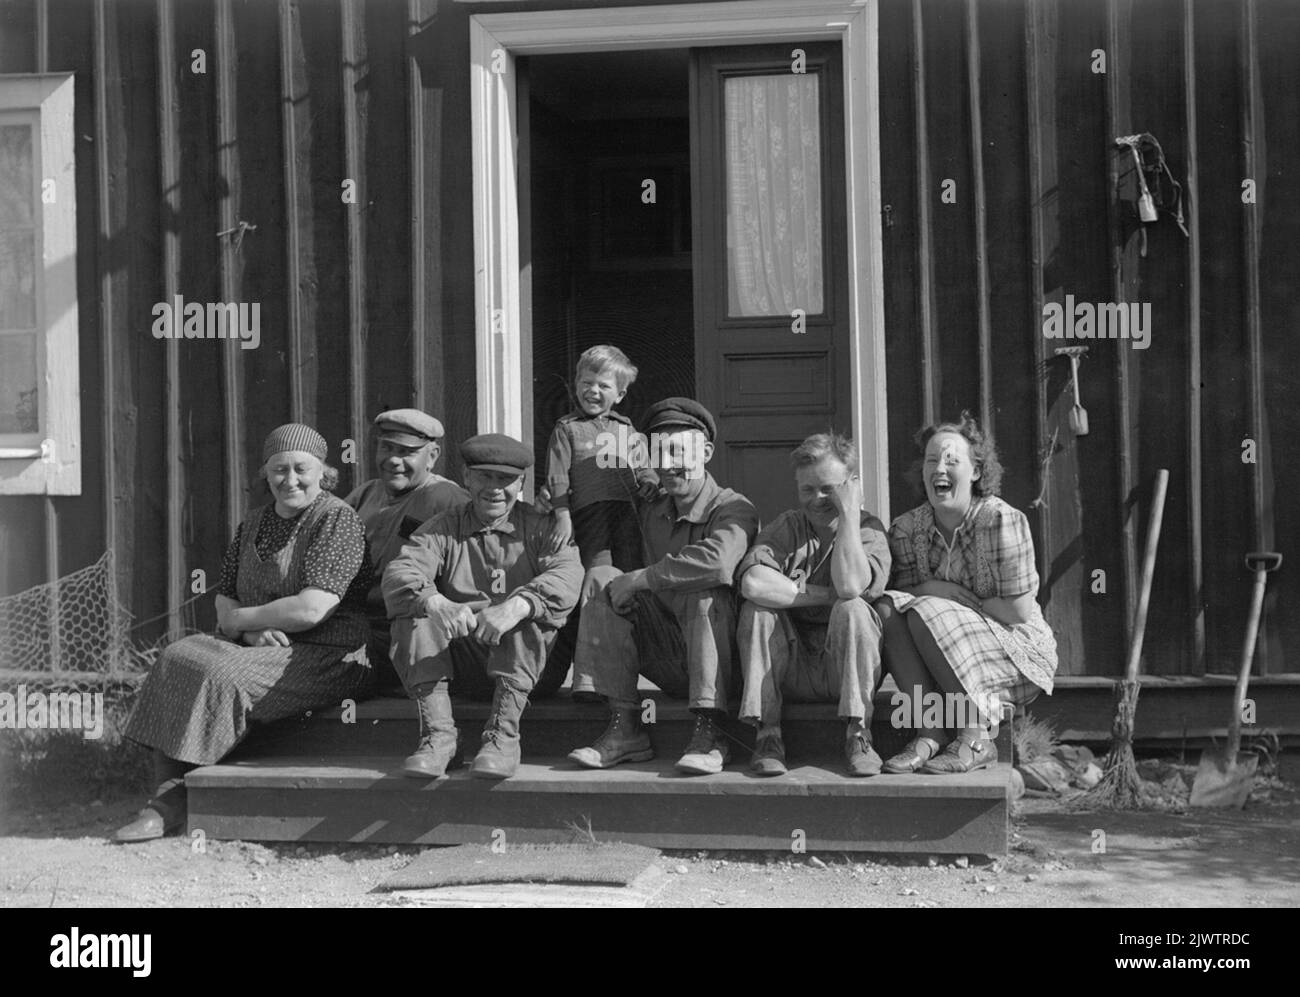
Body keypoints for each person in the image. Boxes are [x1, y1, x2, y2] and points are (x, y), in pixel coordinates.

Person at [116, 423, 374, 842]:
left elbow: (312, 609)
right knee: (177, 656)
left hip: (333, 651)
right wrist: (251, 633)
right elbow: (226, 599)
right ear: (265, 474)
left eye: (301, 469)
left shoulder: (337, 520)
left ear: (323, 472)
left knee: (223, 674)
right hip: (264, 646)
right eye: (279, 470)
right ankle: (163, 796)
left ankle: (177, 801)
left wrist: (239, 624)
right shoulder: (254, 523)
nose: (290, 480)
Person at [566, 398, 759, 776]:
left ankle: (712, 731)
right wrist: (555, 503)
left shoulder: (733, 507)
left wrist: (642, 578)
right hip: (670, 653)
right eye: (659, 453)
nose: (667, 464)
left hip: (726, 663)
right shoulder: (651, 507)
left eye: (678, 451)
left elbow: (718, 565)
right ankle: (626, 726)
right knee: (604, 577)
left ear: (705, 452)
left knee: (702, 591)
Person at [382, 434, 583, 780]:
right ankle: (440, 738)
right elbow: (402, 571)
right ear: (466, 477)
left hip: (533, 668)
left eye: (505, 479)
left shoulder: (542, 527)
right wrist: (436, 603)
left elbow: (568, 576)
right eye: (484, 476)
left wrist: (519, 605)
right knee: (414, 615)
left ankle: (503, 736)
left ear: (521, 483)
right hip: (466, 661)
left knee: (526, 615)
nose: (494, 488)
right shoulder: (443, 528)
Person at [875, 413, 1058, 774]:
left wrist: (949, 605)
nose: (939, 468)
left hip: (1014, 650)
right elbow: (901, 593)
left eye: (951, 460)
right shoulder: (907, 528)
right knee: (886, 608)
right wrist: (932, 589)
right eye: (931, 460)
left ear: (976, 471)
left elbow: (1018, 612)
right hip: (943, 648)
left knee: (926, 610)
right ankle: (930, 731)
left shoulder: (1000, 521)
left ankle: (976, 737)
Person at [735, 433, 892, 776]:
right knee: (757, 611)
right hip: (791, 665)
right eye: (808, 489)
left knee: (853, 610)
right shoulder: (788, 527)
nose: (817, 499)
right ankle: (768, 735)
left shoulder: (869, 530)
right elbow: (753, 583)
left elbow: (851, 586)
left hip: (845, 668)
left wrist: (849, 513)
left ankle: (859, 734)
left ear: (851, 485)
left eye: (829, 489)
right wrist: (824, 595)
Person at [344, 409, 468, 691]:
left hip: (408, 636)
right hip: (357, 627)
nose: (393, 460)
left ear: (432, 456)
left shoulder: (448, 501)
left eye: (406, 452)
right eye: (386, 447)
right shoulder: (364, 495)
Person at [544, 344, 658, 570]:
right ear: (576, 385)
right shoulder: (567, 429)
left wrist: (650, 481)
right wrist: (562, 516)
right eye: (586, 383)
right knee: (597, 565)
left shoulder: (626, 428)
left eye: (603, 386)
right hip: (588, 514)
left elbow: (643, 465)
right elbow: (557, 477)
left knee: (630, 562)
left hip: (628, 512)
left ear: (619, 395)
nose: (593, 391)